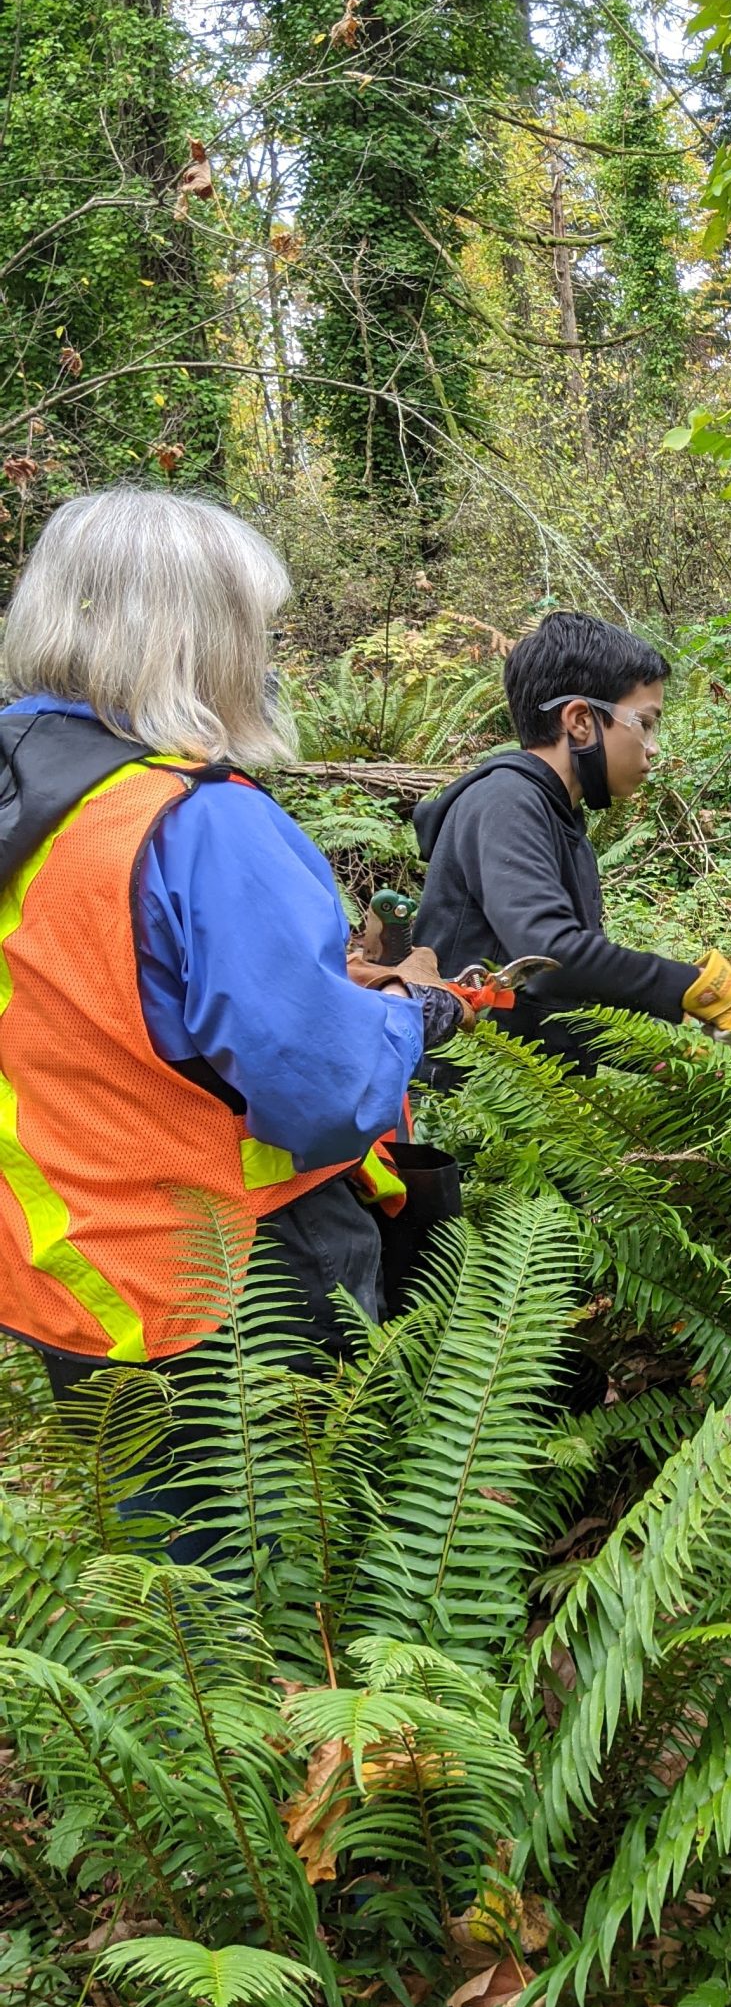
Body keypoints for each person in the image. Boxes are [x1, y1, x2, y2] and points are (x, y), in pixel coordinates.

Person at [0, 487, 465, 1553]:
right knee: (288, 1578)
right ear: (196, 639)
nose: (265, 654)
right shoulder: (198, 823)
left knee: (167, 1601)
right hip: (227, 1283)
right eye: (256, 628)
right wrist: (409, 1018)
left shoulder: (24, 803)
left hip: (62, 1267)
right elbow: (324, 1093)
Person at [412, 610, 731, 1072]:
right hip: (458, 1118)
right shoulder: (506, 801)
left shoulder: (556, 814)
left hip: (518, 1103)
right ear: (581, 720)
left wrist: (657, 1057)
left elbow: (547, 994)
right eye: (644, 722)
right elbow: (550, 954)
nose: (653, 747)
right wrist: (695, 987)